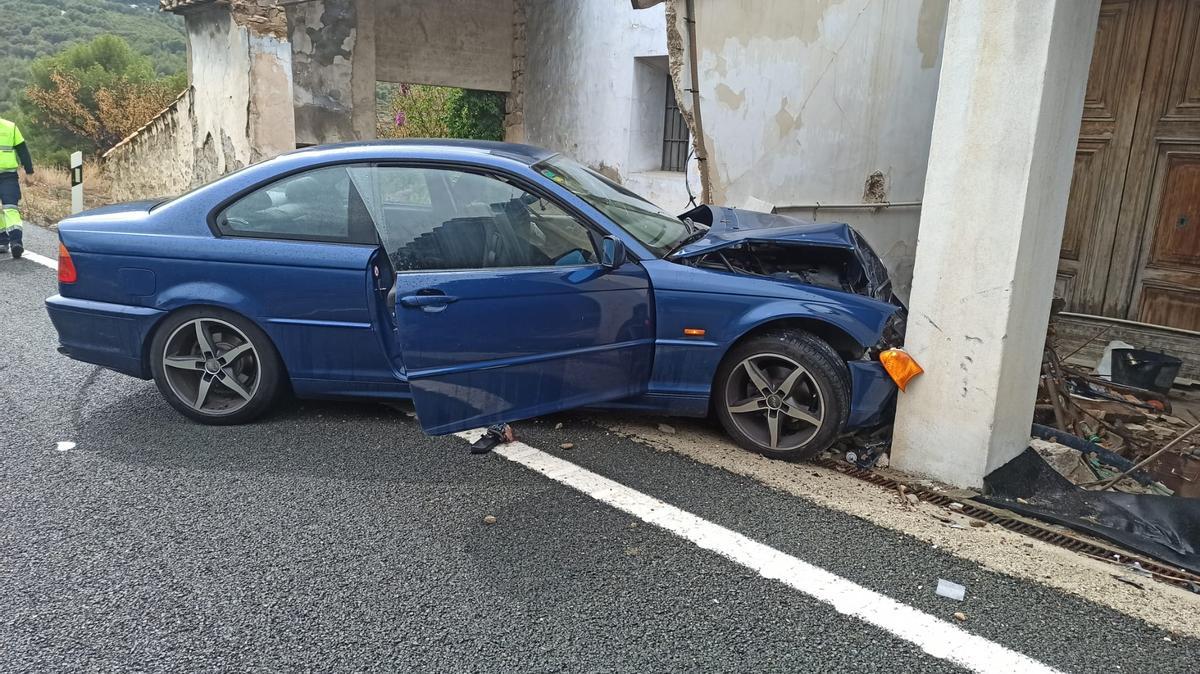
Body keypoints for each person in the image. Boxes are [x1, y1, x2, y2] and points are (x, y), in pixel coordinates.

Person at [0, 116, 34, 259]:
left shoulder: (10, 127)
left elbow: (22, 150)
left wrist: (29, 172)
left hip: (8, 176)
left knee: (10, 207)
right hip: (8, 176)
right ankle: (2, 240)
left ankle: (16, 242)